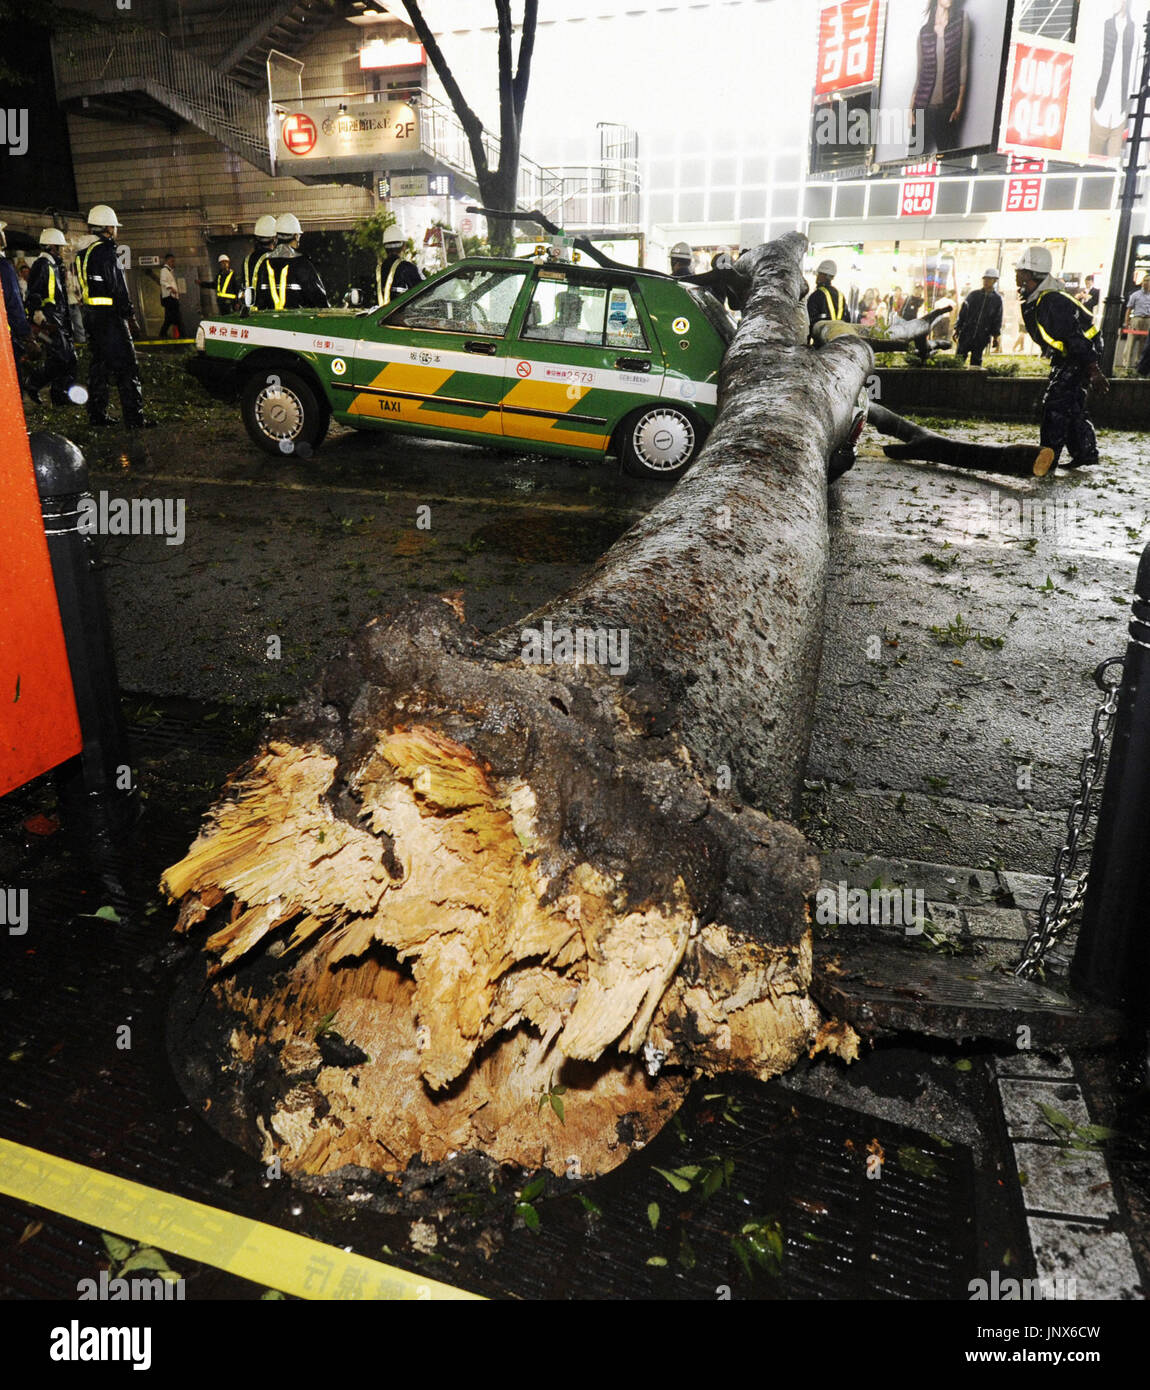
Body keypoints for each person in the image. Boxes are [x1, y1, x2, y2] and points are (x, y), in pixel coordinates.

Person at [1016, 244, 1107, 472]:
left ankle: (1047, 460)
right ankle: (1085, 453)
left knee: (1055, 406)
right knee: (1071, 404)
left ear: (1029, 274)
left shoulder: (1050, 301)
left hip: (1081, 353)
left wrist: (1093, 370)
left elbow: (1075, 338)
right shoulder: (1039, 297)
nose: (1016, 275)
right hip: (1074, 354)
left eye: (1019, 271)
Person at [77, 204, 155, 429]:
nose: (116, 230)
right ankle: (134, 419)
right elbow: (118, 287)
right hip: (110, 318)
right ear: (107, 228)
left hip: (92, 317)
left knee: (99, 368)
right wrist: (130, 316)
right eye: (114, 226)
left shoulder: (84, 253)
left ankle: (97, 416)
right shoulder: (106, 251)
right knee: (127, 368)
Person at [25, 228, 77, 407]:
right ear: (52, 247)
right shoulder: (42, 264)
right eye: (60, 247)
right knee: (61, 357)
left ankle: (60, 396)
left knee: (70, 358)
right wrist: (41, 319)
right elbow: (33, 295)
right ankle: (34, 382)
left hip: (59, 318)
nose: (63, 250)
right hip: (49, 320)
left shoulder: (54, 265)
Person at [912, 0, 970, 157]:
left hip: (947, 107)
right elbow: (920, 74)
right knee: (912, 162)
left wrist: (959, 105)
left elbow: (963, 64)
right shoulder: (924, 32)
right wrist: (911, 109)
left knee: (950, 159)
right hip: (922, 107)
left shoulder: (961, 21)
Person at [255, 213, 328, 311]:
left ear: (276, 237)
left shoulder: (264, 263)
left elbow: (260, 299)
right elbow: (319, 300)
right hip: (296, 323)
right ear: (296, 236)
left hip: (269, 322)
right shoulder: (302, 264)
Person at [1092, 0, 1135, 158]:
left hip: (1119, 107)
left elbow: (1132, 67)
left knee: (1113, 160)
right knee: (1094, 157)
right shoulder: (1106, 25)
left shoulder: (1132, 29)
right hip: (1101, 103)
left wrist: (1127, 106)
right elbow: (1097, 62)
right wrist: (1093, 104)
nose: (1113, 3)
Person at [0, 222, 32, 396]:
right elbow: (12, 301)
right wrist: (25, 333)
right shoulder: (3, 266)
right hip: (4, 338)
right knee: (12, 385)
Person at [955, 268, 1003, 366]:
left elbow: (997, 319)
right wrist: (958, 328)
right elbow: (963, 312)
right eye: (985, 279)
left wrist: (996, 336)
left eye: (989, 279)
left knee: (976, 361)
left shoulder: (997, 299)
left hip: (982, 335)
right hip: (967, 333)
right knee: (959, 359)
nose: (986, 281)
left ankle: (974, 381)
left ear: (995, 280)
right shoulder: (973, 295)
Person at [375, 228, 422, 306]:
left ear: (385, 247)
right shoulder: (408, 268)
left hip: (379, 316)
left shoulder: (378, 269)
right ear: (404, 246)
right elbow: (423, 293)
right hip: (402, 316)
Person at [241, 216, 278, 314]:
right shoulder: (274, 259)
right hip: (268, 312)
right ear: (275, 238)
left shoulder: (247, 259)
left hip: (248, 311)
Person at [807, 259, 850, 339]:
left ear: (822, 275)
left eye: (818, 274)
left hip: (820, 344)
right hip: (839, 341)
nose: (817, 277)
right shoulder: (840, 295)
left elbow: (809, 322)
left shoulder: (816, 295)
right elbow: (847, 319)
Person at [1121, 273, 1150, 372]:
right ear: (1142, 282)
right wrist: (1126, 322)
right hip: (1137, 319)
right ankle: (1126, 365)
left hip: (1148, 320)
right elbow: (1129, 309)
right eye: (1146, 281)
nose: (1147, 283)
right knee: (1131, 342)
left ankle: (1139, 365)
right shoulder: (1135, 295)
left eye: (1149, 281)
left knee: (1144, 344)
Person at [159, 253, 183, 339]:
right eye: (172, 261)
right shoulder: (164, 270)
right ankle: (182, 335)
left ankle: (163, 333)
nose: (173, 263)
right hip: (170, 297)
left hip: (171, 297)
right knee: (176, 317)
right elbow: (163, 281)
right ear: (167, 261)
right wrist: (170, 288)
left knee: (169, 318)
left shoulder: (169, 271)